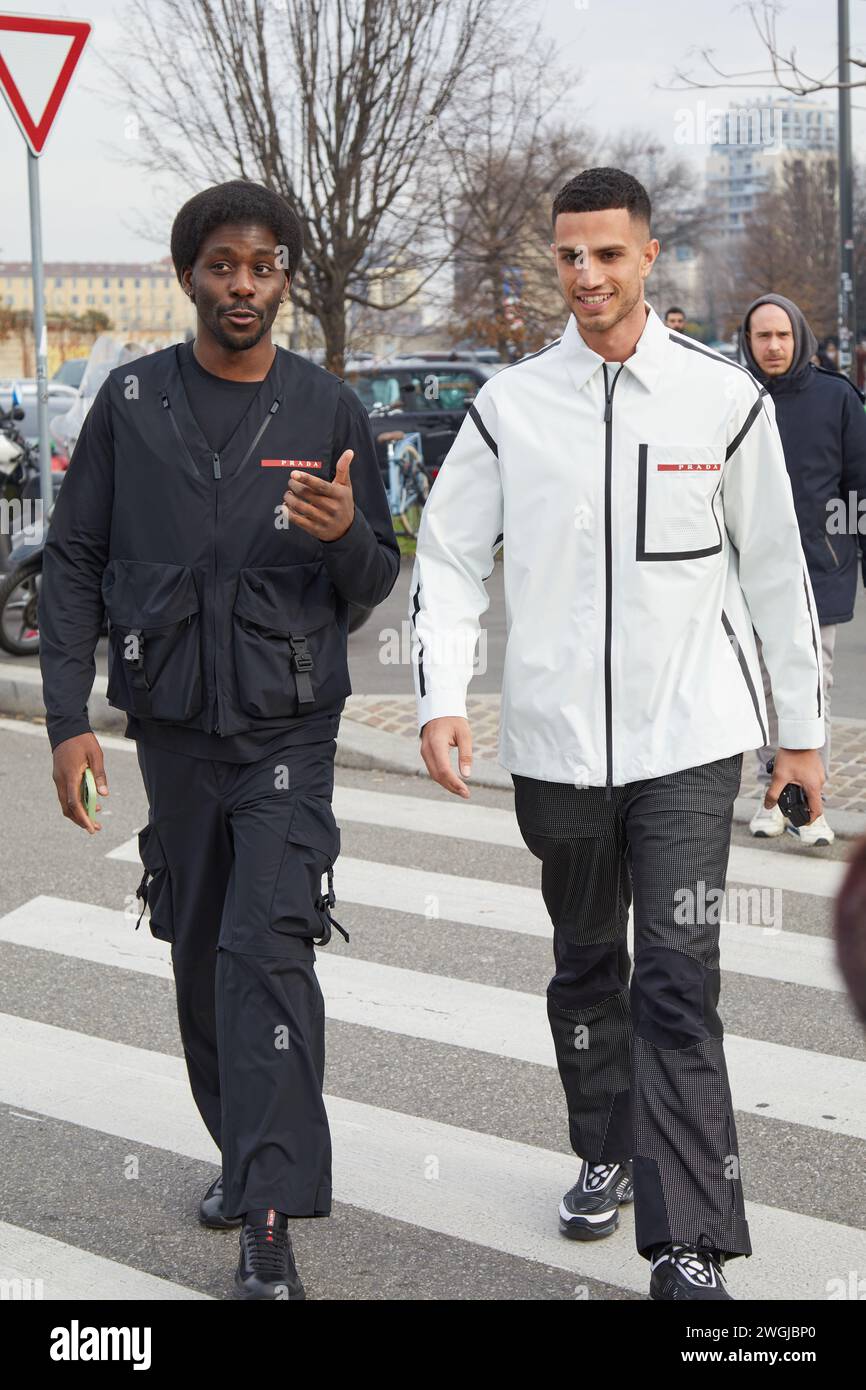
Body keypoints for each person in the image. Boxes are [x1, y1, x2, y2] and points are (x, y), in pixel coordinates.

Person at [409, 167, 825, 1301]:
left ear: (649, 257)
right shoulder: (509, 407)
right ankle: (603, 1141)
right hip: (553, 749)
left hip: (691, 742)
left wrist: (800, 733)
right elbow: (446, 561)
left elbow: (777, 571)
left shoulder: (718, 398)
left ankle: (689, 1244)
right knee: (589, 965)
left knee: (678, 979)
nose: (585, 275)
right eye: (567, 256)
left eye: (606, 253)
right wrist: (442, 694)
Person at [39, 180, 400, 1300]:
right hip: (175, 731)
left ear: (286, 273)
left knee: (266, 953)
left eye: (264, 265)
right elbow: (73, 561)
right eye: (222, 265)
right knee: (201, 959)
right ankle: (243, 1153)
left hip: (289, 728)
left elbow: (377, 578)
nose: (243, 284)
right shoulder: (133, 400)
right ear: (187, 272)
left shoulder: (327, 409)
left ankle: (269, 1221)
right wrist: (66, 720)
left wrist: (346, 543)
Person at [740, 293, 866, 845]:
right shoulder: (736, 396)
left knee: (814, 685)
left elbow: (859, 488)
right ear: (748, 342)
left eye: (782, 335)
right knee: (763, 687)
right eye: (762, 336)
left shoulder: (836, 397)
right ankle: (778, 794)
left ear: (799, 338)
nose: (772, 345)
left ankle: (806, 802)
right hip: (749, 574)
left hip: (822, 569)